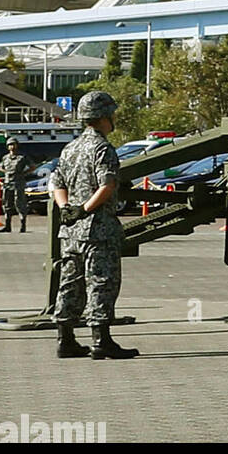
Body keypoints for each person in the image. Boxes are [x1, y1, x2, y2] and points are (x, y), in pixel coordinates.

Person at [48, 91, 138, 360]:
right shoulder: (102, 148)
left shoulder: (70, 148)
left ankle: (65, 339)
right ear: (103, 117)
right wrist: (85, 209)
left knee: (70, 283)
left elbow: (57, 184)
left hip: (71, 231)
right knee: (101, 281)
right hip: (97, 229)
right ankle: (101, 340)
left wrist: (67, 209)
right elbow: (107, 186)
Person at [0, 138, 29, 233]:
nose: (12, 147)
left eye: (13, 144)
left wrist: (23, 173)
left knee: (20, 204)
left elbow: (32, 167)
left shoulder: (22, 157)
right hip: (7, 183)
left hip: (18, 183)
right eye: (10, 145)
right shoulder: (5, 158)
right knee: (7, 204)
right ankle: (7, 226)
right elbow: (0, 167)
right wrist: (7, 172)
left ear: (17, 145)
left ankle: (23, 226)